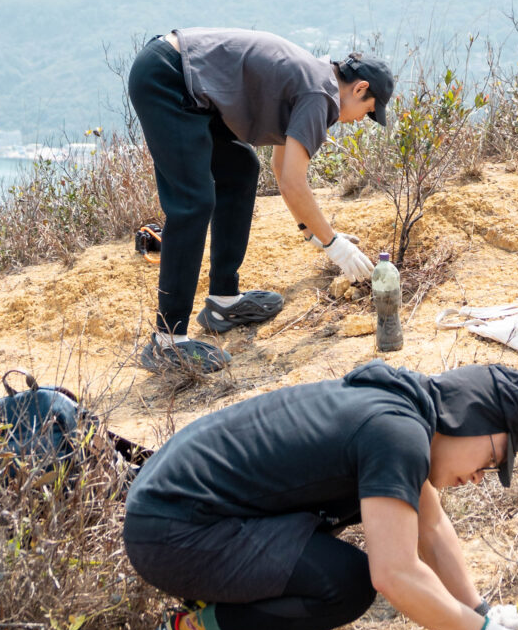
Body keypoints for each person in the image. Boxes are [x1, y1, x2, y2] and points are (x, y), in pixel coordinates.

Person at [121, 360, 518, 630]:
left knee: (334, 569)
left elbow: (430, 528)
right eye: (490, 458)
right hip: (172, 529)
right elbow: (395, 575)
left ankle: (232, 607)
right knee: (346, 585)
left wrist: (482, 613)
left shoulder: (404, 406)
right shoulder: (397, 434)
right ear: (471, 415)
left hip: (180, 510)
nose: (478, 478)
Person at [124, 29, 395, 374]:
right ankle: (167, 342)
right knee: (193, 202)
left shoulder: (315, 80)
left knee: (240, 168)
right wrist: (334, 245)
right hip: (169, 77)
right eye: (368, 111)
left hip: (184, 79)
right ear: (359, 89)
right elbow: (295, 183)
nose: (361, 120)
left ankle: (224, 302)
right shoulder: (320, 95)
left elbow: (282, 172)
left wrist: (314, 232)